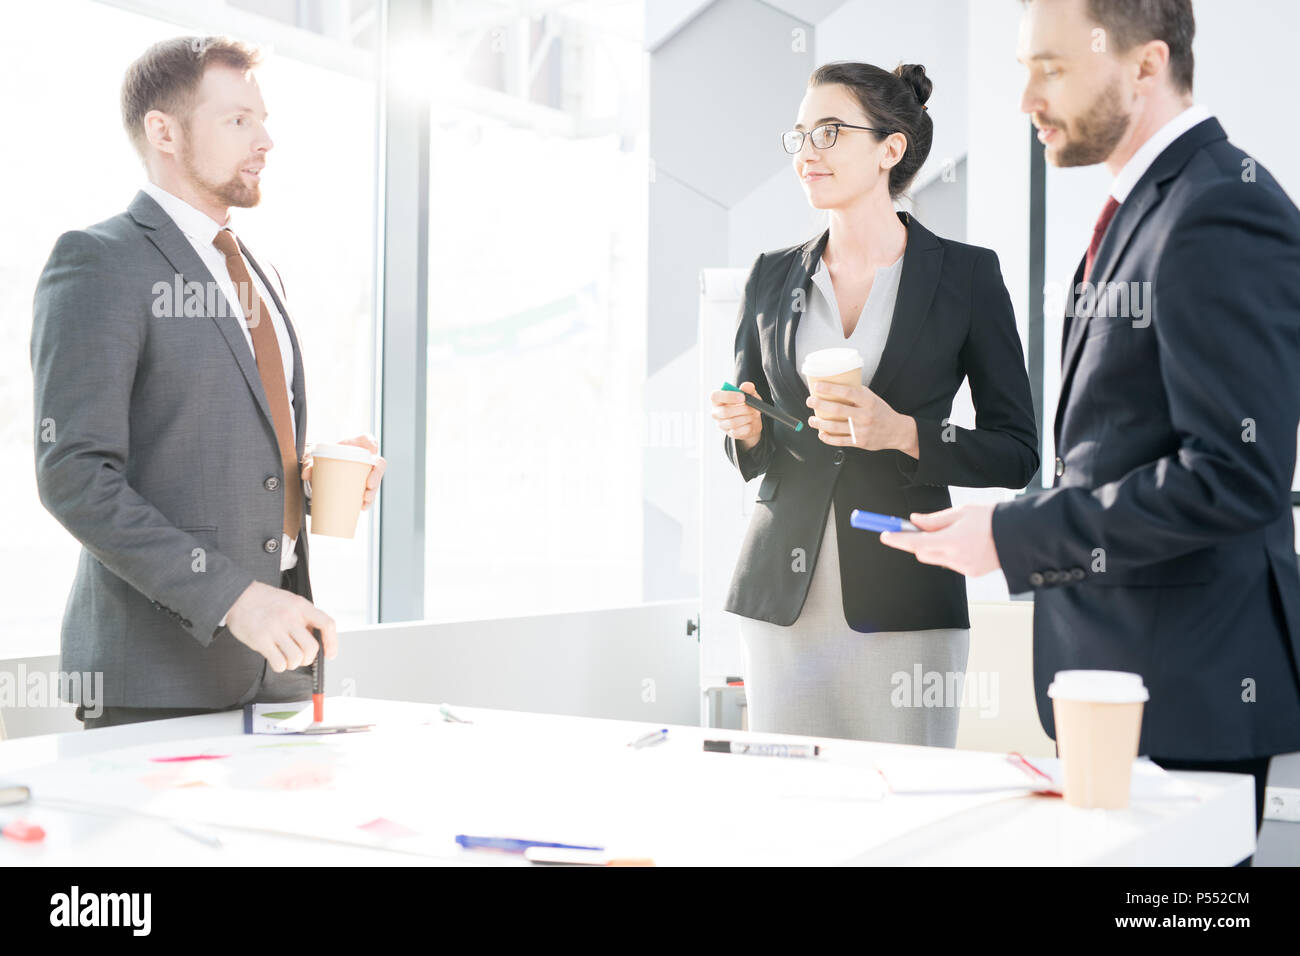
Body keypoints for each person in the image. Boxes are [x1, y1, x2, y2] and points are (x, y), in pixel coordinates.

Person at [881, 0, 1300, 843]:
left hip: (1187, 692)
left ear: (1146, 66)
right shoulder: (1147, 208)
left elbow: (1234, 474)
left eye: (1054, 68)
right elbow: (1117, 449)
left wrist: (1013, 533)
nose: (1027, 99)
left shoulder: (1218, 210)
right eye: (1024, 68)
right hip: (1124, 691)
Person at [31, 36, 386, 729]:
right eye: (238, 121)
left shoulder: (259, 272)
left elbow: (222, 466)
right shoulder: (99, 262)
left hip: (279, 671)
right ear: (163, 131)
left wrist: (311, 485)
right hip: (157, 680)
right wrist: (235, 599)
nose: (267, 140)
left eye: (262, 118)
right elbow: (75, 476)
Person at [709, 61, 1039, 745]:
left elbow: (1018, 452)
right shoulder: (771, 276)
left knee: (904, 826)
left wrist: (904, 433)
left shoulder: (967, 276)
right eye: (799, 136)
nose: (807, 152)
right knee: (789, 818)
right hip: (779, 599)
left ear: (891, 149)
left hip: (907, 598)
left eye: (828, 132)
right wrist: (743, 429)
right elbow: (759, 432)